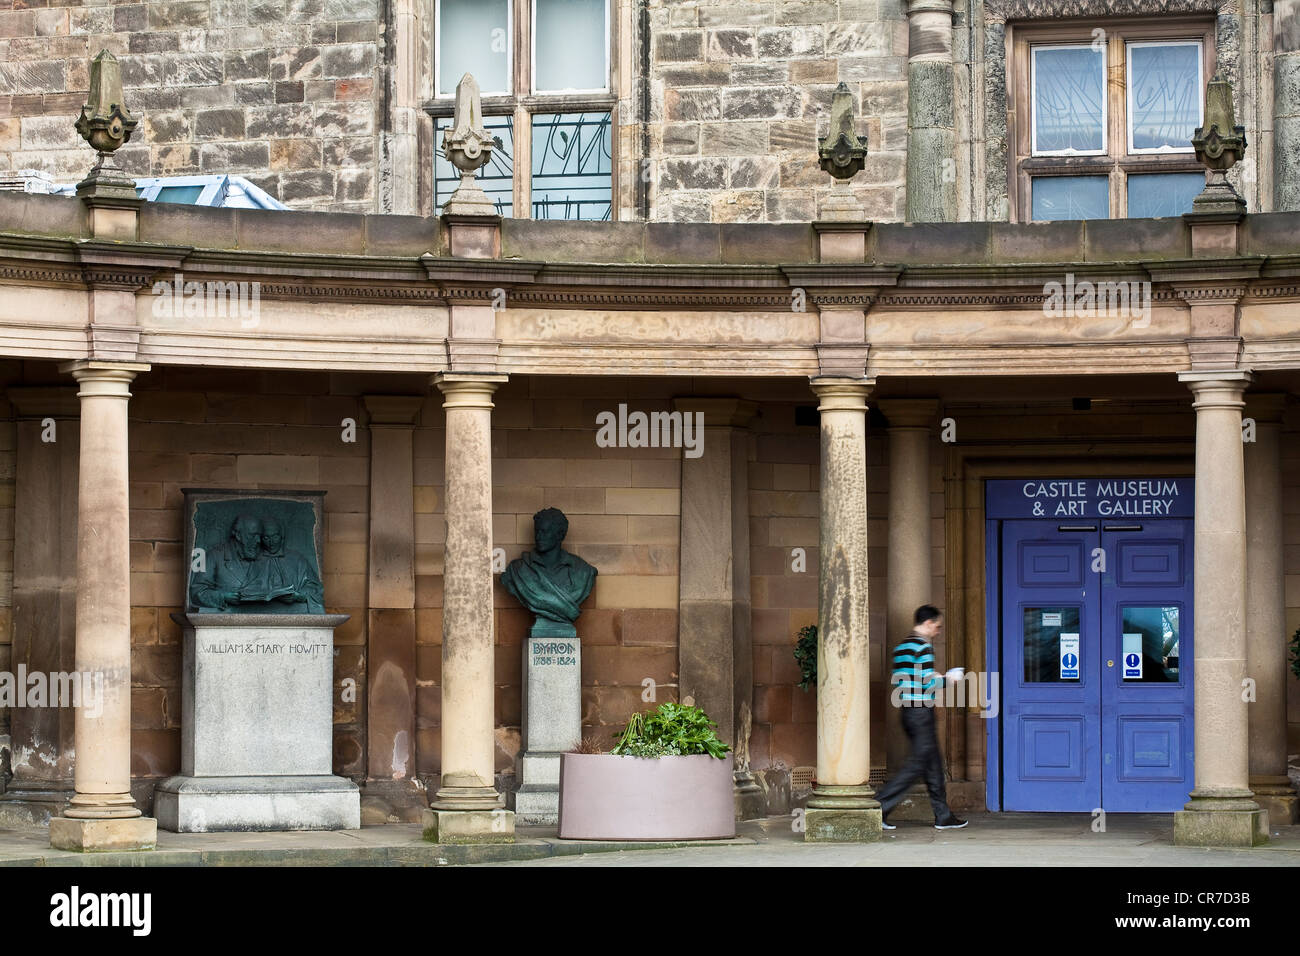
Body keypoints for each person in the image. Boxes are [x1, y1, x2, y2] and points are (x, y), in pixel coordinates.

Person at [876, 604, 968, 830]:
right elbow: (928, 684)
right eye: (937, 626)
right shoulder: (923, 647)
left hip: (908, 711)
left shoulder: (901, 647)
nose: (938, 631)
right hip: (921, 712)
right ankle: (878, 808)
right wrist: (949, 680)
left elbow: (904, 679)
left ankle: (943, 815)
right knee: (916, 765)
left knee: (933, 765)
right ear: (928, 623)